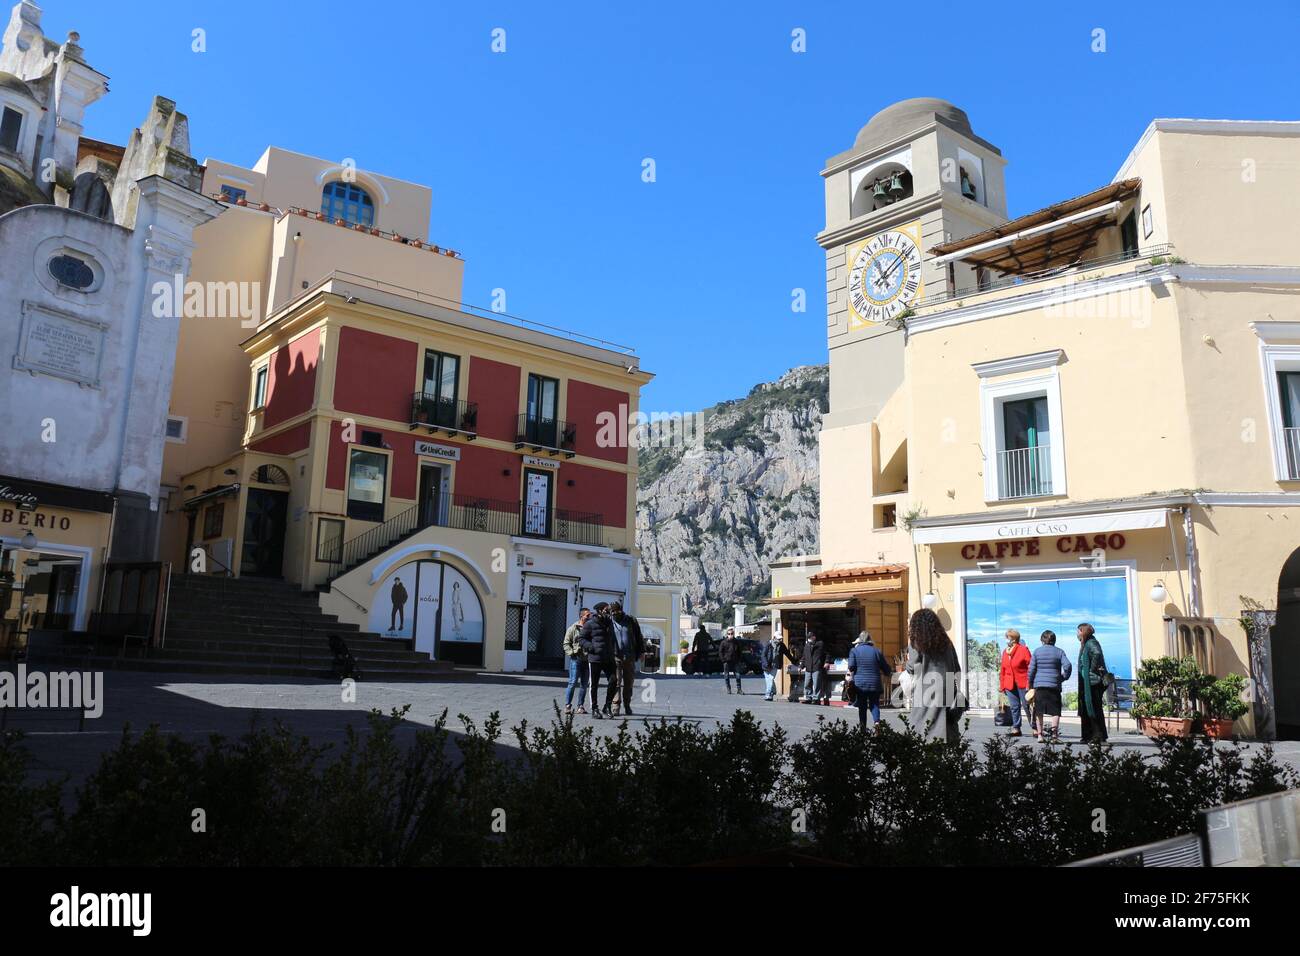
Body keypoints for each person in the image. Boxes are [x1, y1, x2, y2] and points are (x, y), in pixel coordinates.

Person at [905, 608, 964, 743]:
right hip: (948, 688)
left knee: (922, 728)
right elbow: (957, 668)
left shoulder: (916, 642)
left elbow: (912, 667)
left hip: (926, 689)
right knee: (947, 726)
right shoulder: (947, 642)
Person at [1028, 629, 1072, 742]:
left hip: (1039, 686)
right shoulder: (1060, 652)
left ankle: (1040, 735)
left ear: (1042, 640)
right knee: (1055, 712)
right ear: (1054, 640)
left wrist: (1031, 684)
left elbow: (1031, 670)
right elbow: (1067, 666)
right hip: (1054, 686)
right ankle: (1054, 736)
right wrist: (1063, 677)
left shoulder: (1037, 652)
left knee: (1038, 711)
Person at [847, 631, 892, 731]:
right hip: (874, 683)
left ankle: (863, 729)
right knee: (874, 704)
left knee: (862, 706)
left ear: (859, 640)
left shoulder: (854, 651)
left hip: (860, 684)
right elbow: (886, 668)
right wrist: (888, 672)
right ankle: (877, 722)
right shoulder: (877, 651)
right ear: (869, 640)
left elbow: (851, 667)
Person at [580, 602, 617, 718]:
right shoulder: (590, 624)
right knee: (594, 684)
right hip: (595, 658)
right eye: (606, 610)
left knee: (613, 681)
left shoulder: (609, 623)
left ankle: (607, 706)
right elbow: (581, 639)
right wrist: (591, 647)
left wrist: (614, 650)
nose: (608, 612)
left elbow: (613, 639)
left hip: (609, 658)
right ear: (600, 611)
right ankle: (594, 709)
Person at [607, 601, 645, 715]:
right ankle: (616, 706)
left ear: (621, 610)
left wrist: (642, 651)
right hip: (615, 656)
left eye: (615, 611)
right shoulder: (609, 622)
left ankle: (627, 704)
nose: (613, 614)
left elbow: (639, 636)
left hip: (629, 656)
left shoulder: (631, 621)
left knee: (629, 682)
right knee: (616, 682)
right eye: (611, 611)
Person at [1076, 622, 1110, 742]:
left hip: (1093, 683)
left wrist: (1091, 669)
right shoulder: (1086, 644)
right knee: (1086, 708)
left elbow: (1097, 653)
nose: (1077, 634)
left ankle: (1098, 735)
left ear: (1083, 631)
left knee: (1094, 708)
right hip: (1087, 683)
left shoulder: (1091, 643)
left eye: (1078, 631)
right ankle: (1088, 735)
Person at [999, 629, 1032, 737]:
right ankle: (1016, 728)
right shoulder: (1005, 652)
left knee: (1027, 706)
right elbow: (1003, 670)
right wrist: (1002, 686)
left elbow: (1030, 667)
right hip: (1009, 684)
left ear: (1014, 639)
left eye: (1007, 637)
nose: (1006, 640)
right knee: (1014, 707)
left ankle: (1035, 727)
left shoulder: (1023, 650)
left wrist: (1029, 683)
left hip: (1023, 683)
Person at [562, 607, 592, 716]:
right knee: (573, 682)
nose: (590, 618)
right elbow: (566, 643)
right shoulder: (573, 628)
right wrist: (571, 653)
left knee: (584, 684)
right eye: (588, 616)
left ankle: (580, 706)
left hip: (587, 660)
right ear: (582, 616)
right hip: (576, 659)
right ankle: (568, 705)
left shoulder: (591, 629)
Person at [761, 633, 794, 701]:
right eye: (779, 639)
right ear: (774, 638)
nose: (780, 640)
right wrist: (766, 664)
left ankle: (768, 695)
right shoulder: (768, 644)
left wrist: (794, 661)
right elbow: (763, 655)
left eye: (781, 639)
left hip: (775, 665)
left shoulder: (781, 645)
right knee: (769, 680)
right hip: (766, 665)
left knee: (770, 678)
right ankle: (773, 691)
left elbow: (787, 653)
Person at [802, 630, 829, 705]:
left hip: (816, 666)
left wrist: (826, 662)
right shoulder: (807, 645)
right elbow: (804, 656)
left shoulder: (820, 644)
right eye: (808, 638)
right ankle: (808, 698)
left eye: (810, 637)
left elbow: (827, 654)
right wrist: (801, 665)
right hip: (808, 667)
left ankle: (816, 699)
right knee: (807, 684)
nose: (809, 639)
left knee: (817, 684)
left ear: (814, 637)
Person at [719, 627, 743, 694]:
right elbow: (720, 652)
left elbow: (739, 651)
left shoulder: (736, 642)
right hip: (726, 661)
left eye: (732, 633)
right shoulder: (723, 642)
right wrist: (723, 660)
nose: (730, 635)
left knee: (738, 675)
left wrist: (739, 659)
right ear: (727, 634)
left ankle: (739, 689)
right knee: (726, 676)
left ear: (734, 634)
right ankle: (728, 689)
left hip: (735, 661)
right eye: (729, 633)